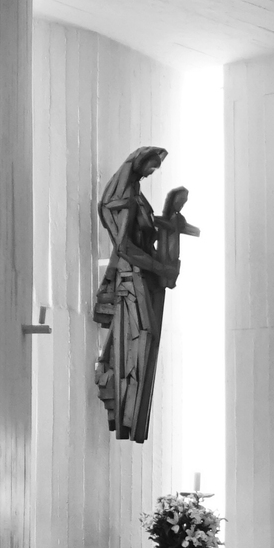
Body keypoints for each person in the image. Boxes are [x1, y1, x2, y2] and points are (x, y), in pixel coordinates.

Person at [92, 148, 194, 443]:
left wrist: (170, 225)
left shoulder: (137, 196)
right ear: (138, 163)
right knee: (141, 337)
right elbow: (124, 247)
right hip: (130, 279)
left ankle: (129, 417)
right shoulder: (124, 201)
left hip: (144, 278)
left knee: (148, 339)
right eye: (151, 166)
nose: (152, 172)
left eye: (156, 168)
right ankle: (125, 414)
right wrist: (157, 265)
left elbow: (147, 237)